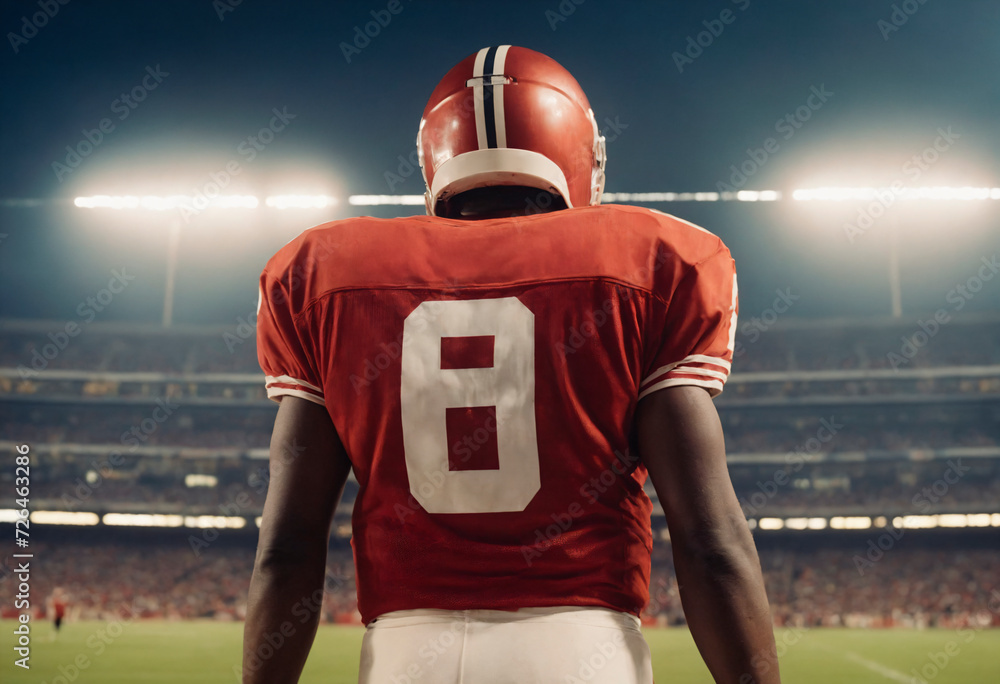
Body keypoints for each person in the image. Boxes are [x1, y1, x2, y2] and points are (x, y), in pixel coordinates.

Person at [244, 45, 780, 684]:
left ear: (433, 163)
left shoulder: (322, 276)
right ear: (586, 156)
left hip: (404, 656)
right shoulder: (654, 262)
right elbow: (710, 546)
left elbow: (287, 550)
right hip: (583, 649)